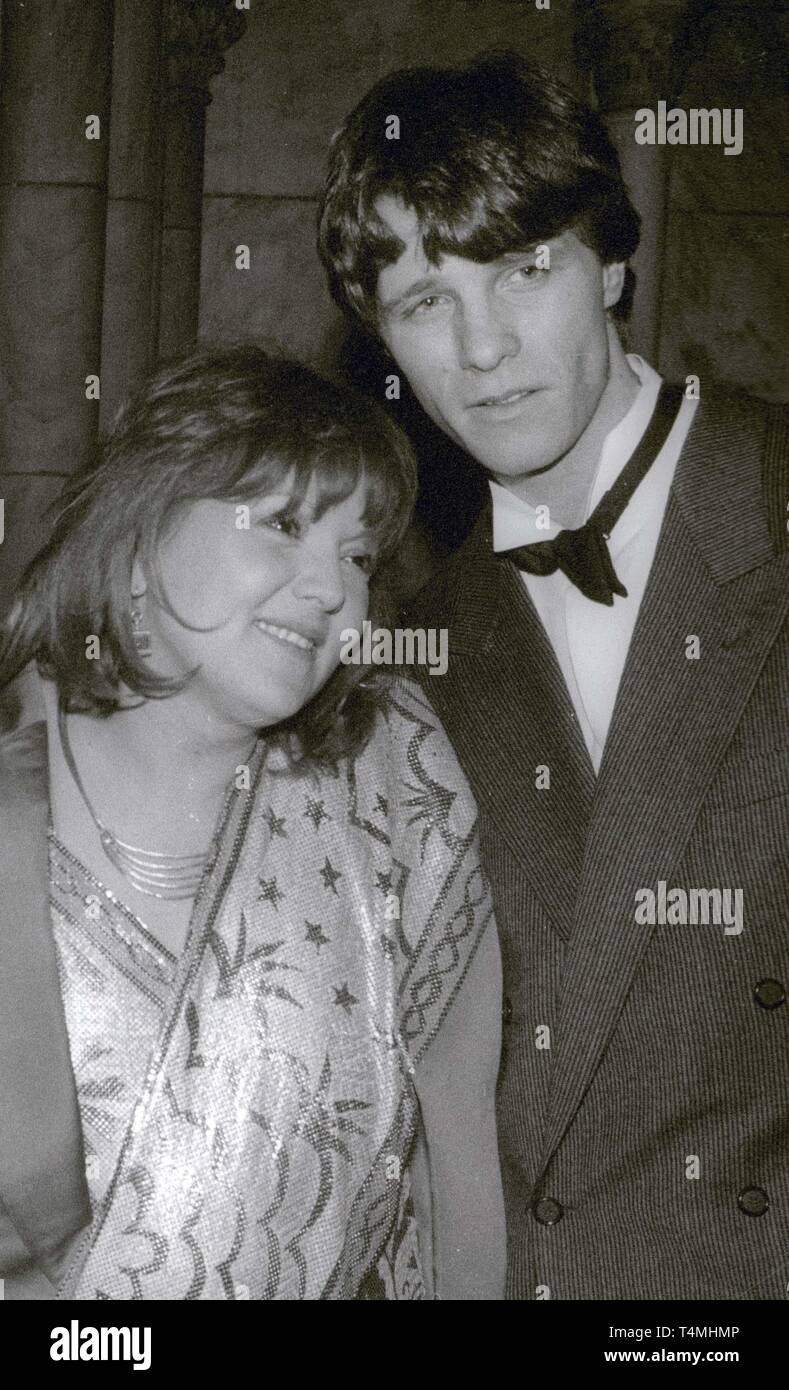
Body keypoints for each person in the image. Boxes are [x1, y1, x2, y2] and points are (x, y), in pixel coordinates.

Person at [318, 52, 789, 1300]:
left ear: (614, 264)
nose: (483, 348)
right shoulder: (407, 653)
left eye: (525, 269)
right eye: (425, 302)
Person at [0, 344, 505, 1301]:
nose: (330, 591)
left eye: (356, 557)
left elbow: (460, 1188)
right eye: (281, 525)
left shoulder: (396, 786)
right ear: (142, 533)